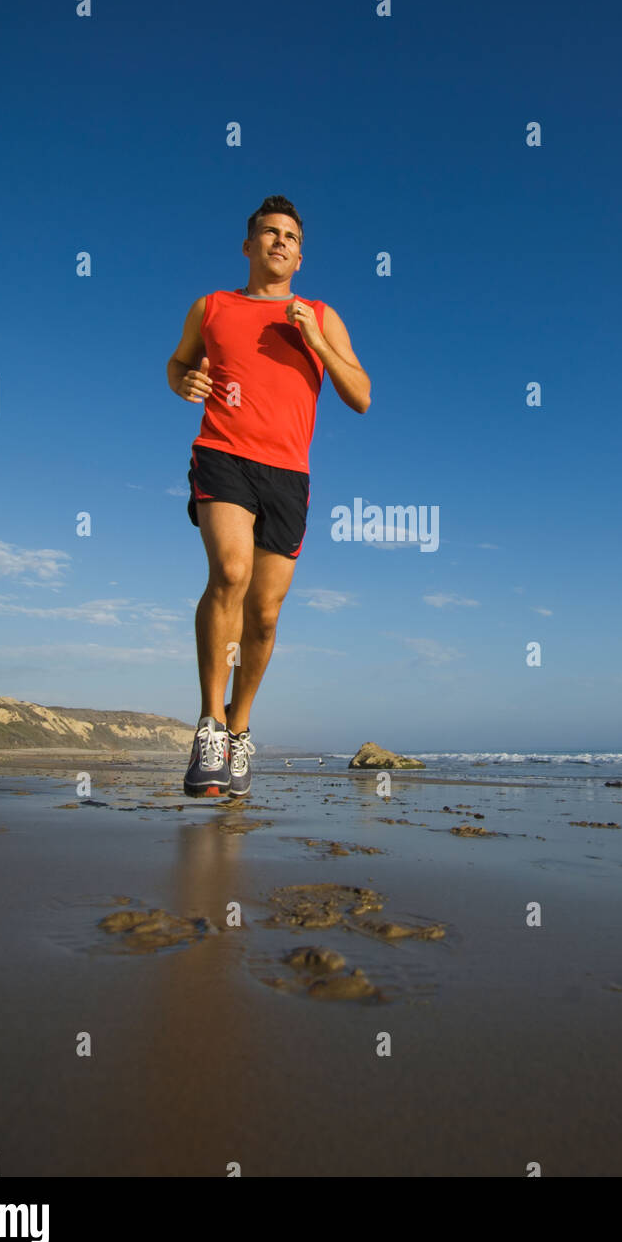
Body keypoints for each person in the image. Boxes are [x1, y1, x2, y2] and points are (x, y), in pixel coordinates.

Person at [166, 195, 371, 799]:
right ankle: (208, 726)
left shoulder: (320, 314)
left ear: (300, 256)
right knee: (229, 572)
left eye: (289, 236)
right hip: (222, 454)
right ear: (249, 245)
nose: (279, 242)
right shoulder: (212, 307)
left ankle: (239, 727)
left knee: (263, 615)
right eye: (268, 233)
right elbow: (178, 365)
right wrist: (186, 381)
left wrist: (318, 341)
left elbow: (360, 395)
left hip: (289, 475)